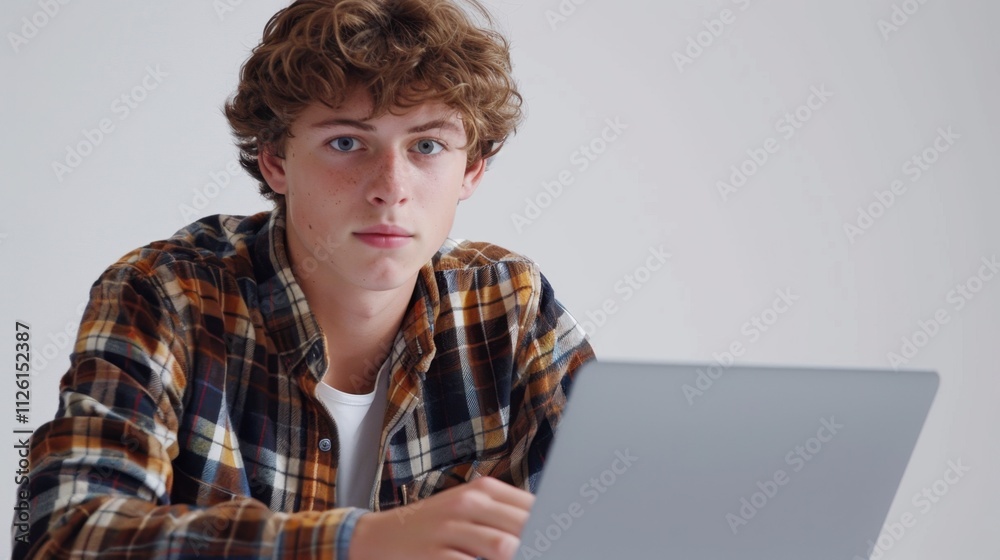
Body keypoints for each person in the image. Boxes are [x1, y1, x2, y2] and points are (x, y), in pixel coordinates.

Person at [12, 0, 594, 559]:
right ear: (274, 160)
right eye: (346, 143)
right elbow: (69, 536)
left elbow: (610, 525)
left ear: (471, 169)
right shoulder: (166, 294)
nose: (390, 187)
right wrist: (358, 544)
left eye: (426, 146)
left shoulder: (510, 304)